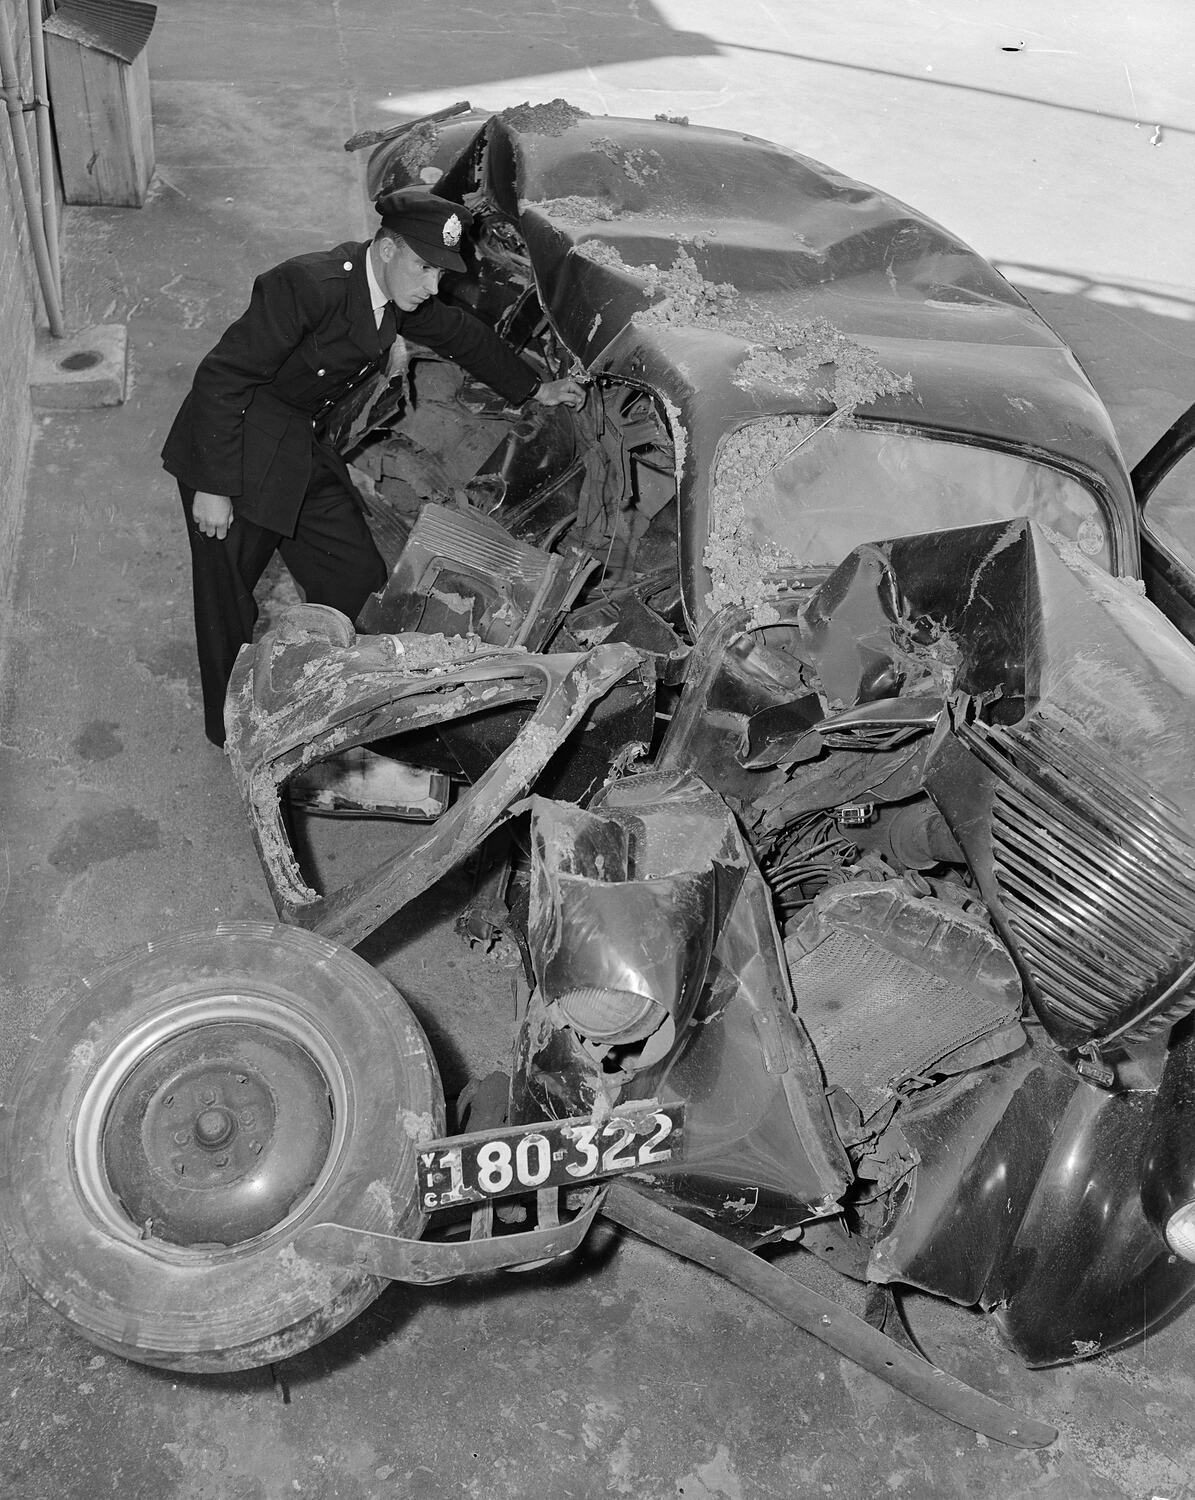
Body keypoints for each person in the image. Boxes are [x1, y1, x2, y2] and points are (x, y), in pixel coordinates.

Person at [162, 186, 585, 748]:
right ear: (387, 248)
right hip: (235, 442)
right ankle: (234, 730)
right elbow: (222, 376)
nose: (433, 285)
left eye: (442, 273)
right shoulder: (308, 285)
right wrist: (213, 487)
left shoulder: (398, 293)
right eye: (425, 268)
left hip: (296, 439)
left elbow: (461, 334)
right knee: (228, 597)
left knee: (354, 575)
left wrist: (535, 389)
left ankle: (332, 687)